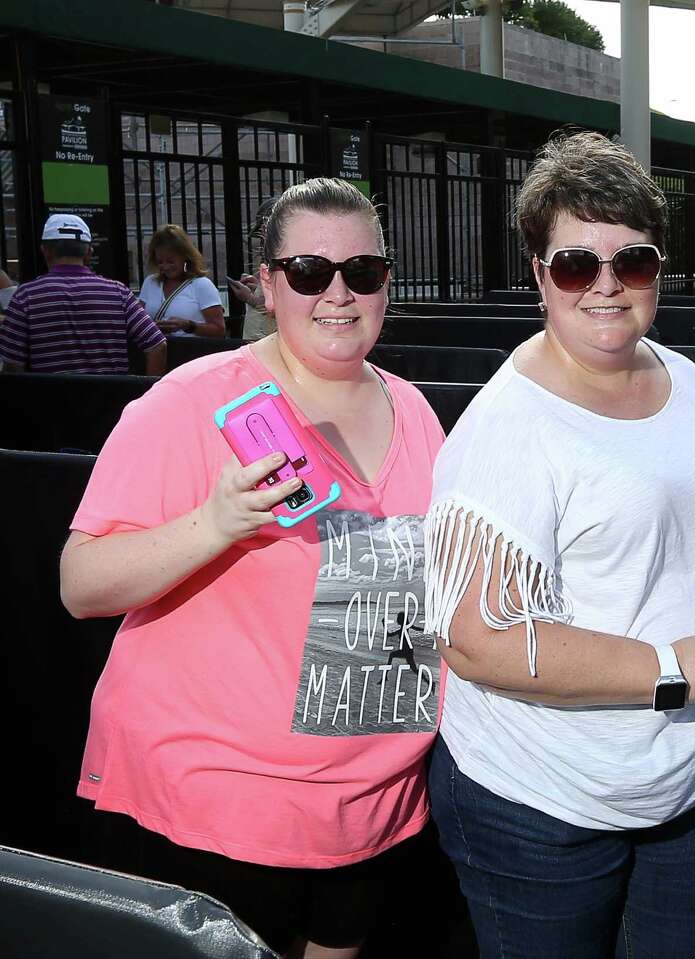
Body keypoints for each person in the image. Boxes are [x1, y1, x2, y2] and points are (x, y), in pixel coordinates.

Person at [422, 130, 695, 958]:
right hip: (544, 804)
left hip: (692, 787)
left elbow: (683, 535)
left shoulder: (682, 376)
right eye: (575, 264)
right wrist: (676, 669)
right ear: (539, 274)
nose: (605, 285)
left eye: (631, 261)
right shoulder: (509, 428)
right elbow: (477, 640)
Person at [60, 178, 445, 958]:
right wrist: (216, 522)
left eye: (362, 272)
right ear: (266, 285)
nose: (337, 293)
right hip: (220, 803)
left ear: (385, 286)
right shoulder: (191, 400)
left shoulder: (416, 409)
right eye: (309, 271)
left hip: (371, 802)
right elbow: (81, 583)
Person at [0, 214, 165, 375]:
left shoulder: (25, 296)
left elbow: (12, 363)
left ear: (45, 251)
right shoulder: (119, 293)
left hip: (49, 401)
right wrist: (147, 392)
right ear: (89, 253)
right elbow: (157, 345)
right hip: (114, 401)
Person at [138, 224, 226, 337]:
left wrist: (189, 326)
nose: (165, 267)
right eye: (160, 262)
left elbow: (219, 330)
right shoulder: (150, 282)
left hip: (192, 350)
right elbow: (138, 321)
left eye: (170, 261)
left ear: (185, 257)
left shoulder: (202, 285)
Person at [229, 197, 278, 341]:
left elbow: (287, 308)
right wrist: (257, 286)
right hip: (259, 343)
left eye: (265, 231)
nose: (262, 241)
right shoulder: (271, 259)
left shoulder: (289, 259)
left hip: (271, 346)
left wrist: (250, 298)